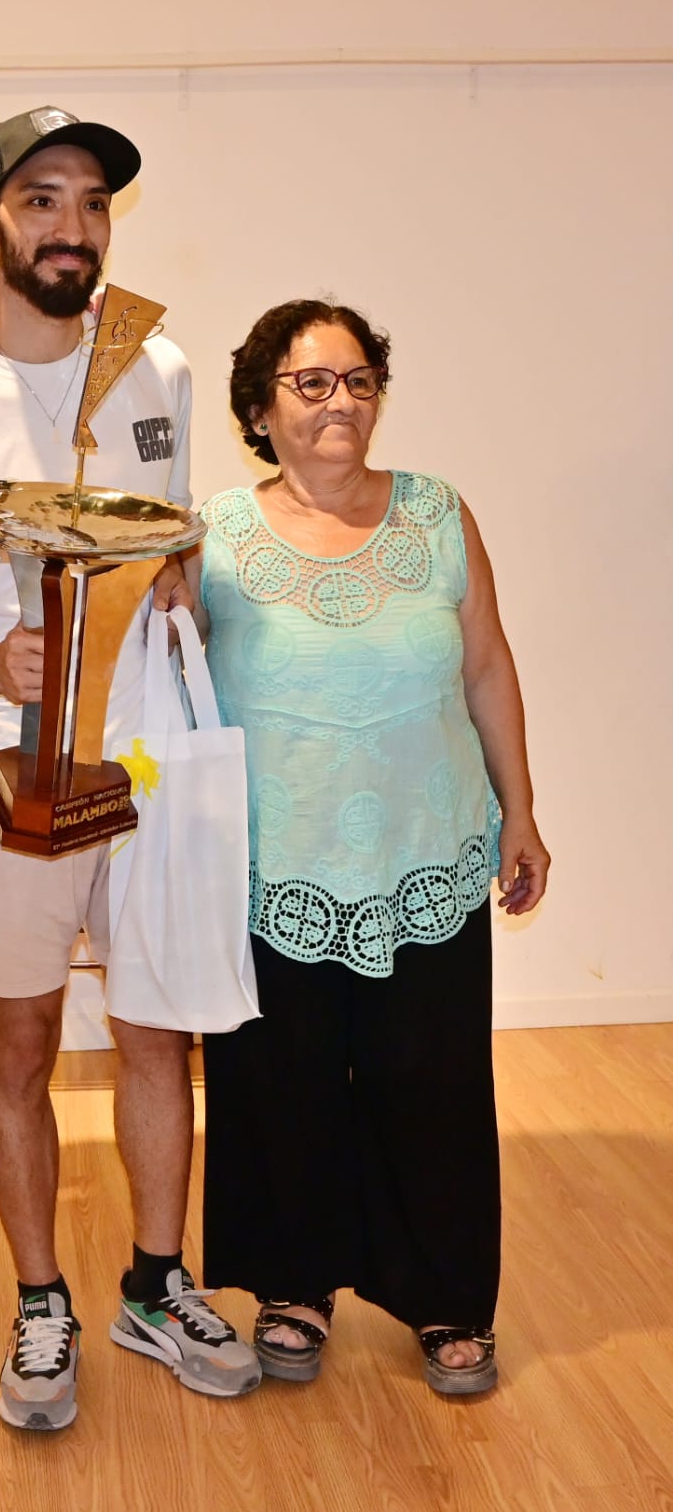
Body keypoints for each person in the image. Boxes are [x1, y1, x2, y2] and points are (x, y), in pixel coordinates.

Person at [0, 106, 261, 1432]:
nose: (70, 226)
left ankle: (155, 1283)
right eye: (39, 200)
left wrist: (176, 571)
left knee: (161, 1028)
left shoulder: (150, 365)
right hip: (15, 774)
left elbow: (172, 544)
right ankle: (41, 1300)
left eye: (90, 201)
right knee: (23, 1036)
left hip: (147, 761)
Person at [186, 299, 550, 1395]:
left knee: (427, 1080)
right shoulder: (213, 533)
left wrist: (519, 809)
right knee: (280, 1080)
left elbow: (485, 664)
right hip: (272, 862)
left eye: (356, 380)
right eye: (310, 383)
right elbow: (166, 689)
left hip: (424, 848)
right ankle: (294, 1284)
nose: (339, 401)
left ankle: (445, 1302)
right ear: (260, 406)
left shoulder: (438, 512)